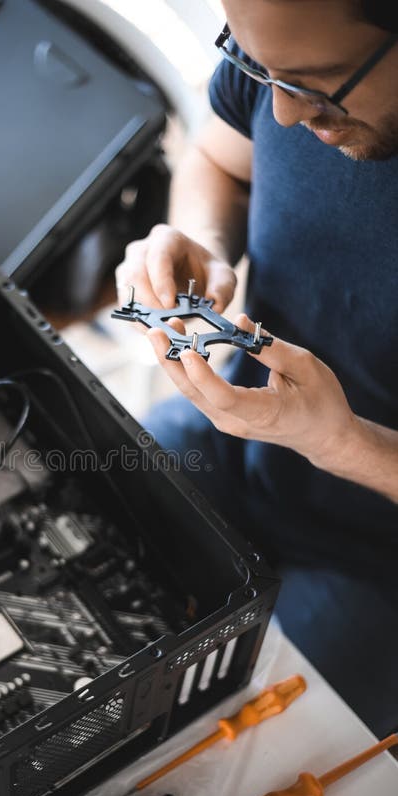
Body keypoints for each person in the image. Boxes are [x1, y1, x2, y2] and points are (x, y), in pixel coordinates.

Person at [115, 0, 398, 737]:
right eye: (255, 69)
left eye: (315, 86)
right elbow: (219, 160)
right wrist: (199, 246)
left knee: (241, 744)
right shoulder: (285, 49)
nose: (280, 113)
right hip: (234, 444)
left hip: (372, 563)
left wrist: (339, 443)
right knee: (81, 532)